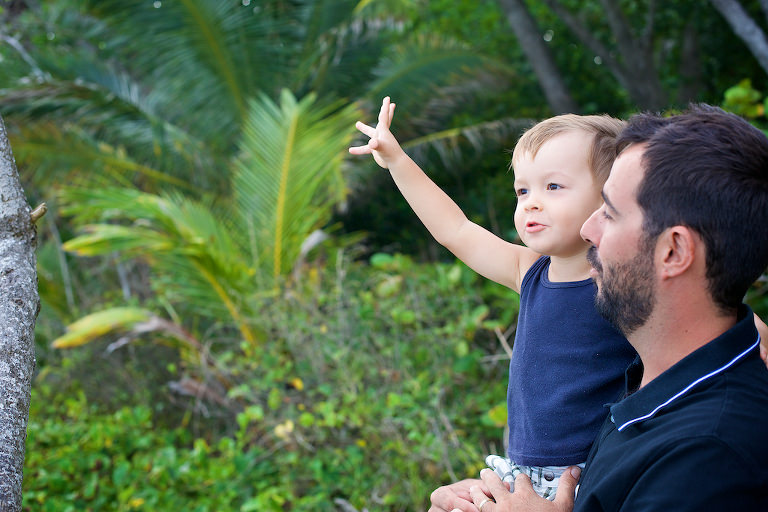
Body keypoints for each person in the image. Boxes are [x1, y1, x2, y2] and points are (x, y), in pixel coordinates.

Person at [461, 104, 768, 512]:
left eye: (608, 212)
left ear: (673, 250)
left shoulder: (707, 456)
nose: (588, 229)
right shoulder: (647, 385)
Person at [350, 97, 637, 505]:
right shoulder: (530, 270)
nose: (531, 202)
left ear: (610, 198)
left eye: (553, 186)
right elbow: (456, 229)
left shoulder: (625, 280)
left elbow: (712, 321)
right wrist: (397, 160)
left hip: (591, 471)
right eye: (522, 190)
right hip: (522, 469)